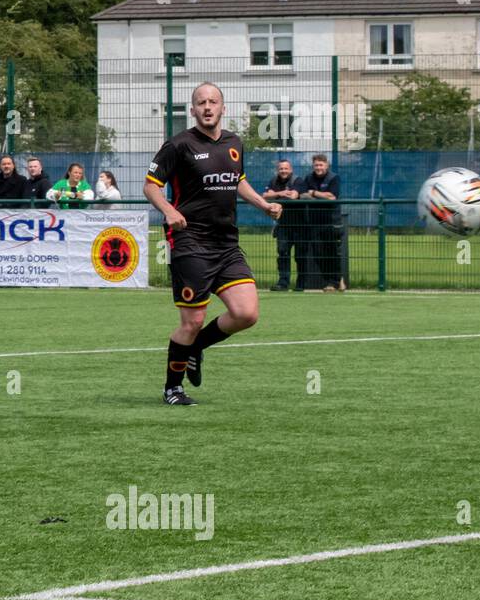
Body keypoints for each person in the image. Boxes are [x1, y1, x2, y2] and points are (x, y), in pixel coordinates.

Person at [143, 82, 282, 405]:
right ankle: (172, 389)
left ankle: (195, 348)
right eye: (201, 102)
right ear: (192, 110)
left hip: (226, 244)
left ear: (223, 107)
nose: (207, 107)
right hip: (190, 242)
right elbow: (151, 186)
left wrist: (263, 204)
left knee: (247, 313)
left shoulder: (235, 143)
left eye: (213, 101)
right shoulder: (178, 145)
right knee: (191, 321)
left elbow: (238, 180)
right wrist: (169, 210)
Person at [302, 153, 344, 292]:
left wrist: (314, 193)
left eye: (321, 165)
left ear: (326, 165)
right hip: (314, 222)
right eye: (316, 165)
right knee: (318, 253)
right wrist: (322, 196)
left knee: (331, 252)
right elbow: (303, 195)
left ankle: (333, 282)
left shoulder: (334, 178)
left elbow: (332, 197)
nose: (318, 167)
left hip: (331, 221)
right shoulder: (308, 177)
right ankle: (335, 280)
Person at [262, 159, 302, 291]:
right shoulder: (274, 181)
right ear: (277, 170)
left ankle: (301, 284)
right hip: (282, 225)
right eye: (281, 169)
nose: (283, 171)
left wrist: (275, 196)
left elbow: (294, 196)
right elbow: (265, 196)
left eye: (286, 168)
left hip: (299, 224)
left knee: (300, 255)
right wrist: (280, 193)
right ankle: (283, 283)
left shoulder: (297, 180)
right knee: (283, 253)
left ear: (291, 169)